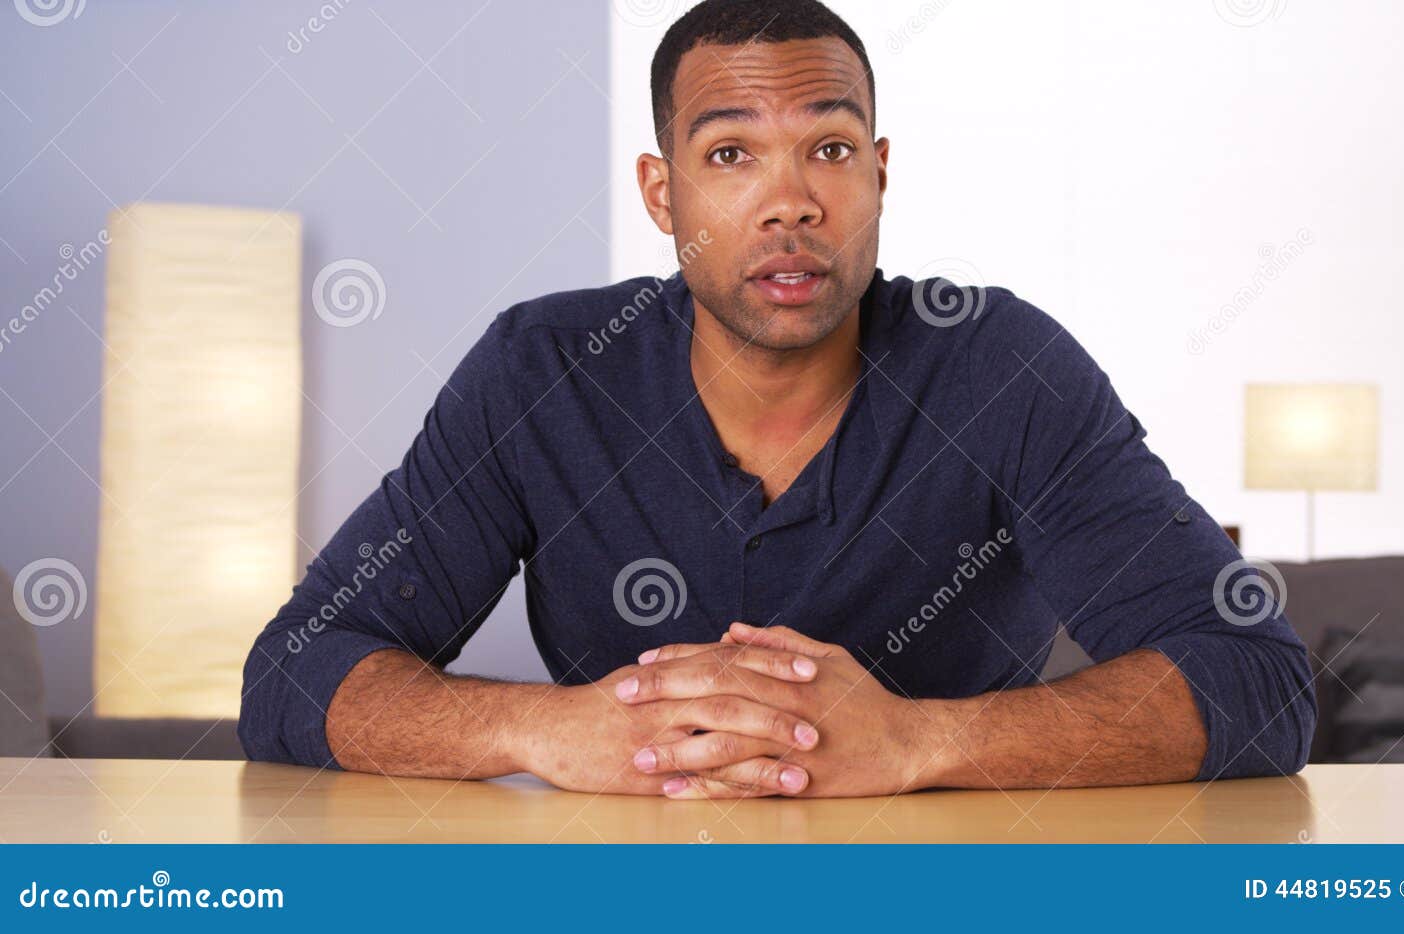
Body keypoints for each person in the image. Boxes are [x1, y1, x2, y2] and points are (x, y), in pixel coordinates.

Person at [240, 0, 1314, 799]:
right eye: (731, 154)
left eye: (829, 150)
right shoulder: (542, 370)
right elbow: (294, 670)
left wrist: (917, 742)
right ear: (663, 193)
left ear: (878, 174)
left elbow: (1260, 680)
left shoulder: (1004, 367)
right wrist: (543, 730)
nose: (790, 202)